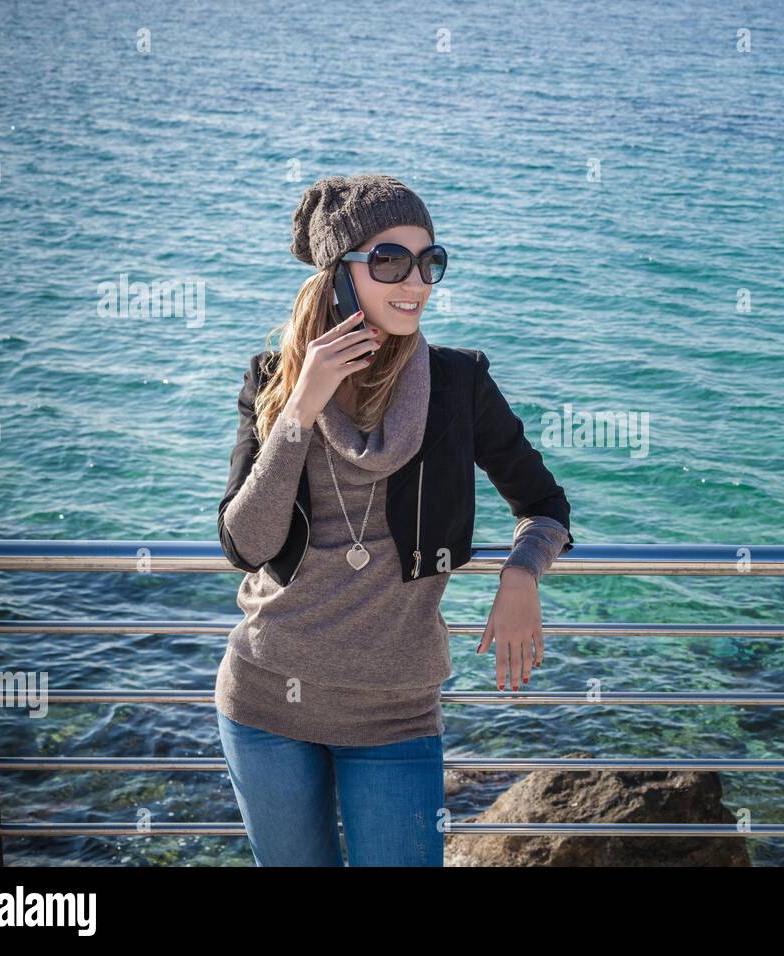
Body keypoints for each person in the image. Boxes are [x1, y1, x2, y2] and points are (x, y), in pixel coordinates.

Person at [213, 173, 574, 866]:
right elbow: (246, 542)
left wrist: (522, 573)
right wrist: (300, 409)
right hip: (264, 706)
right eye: (389, 260)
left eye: (429, 261)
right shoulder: (270, 380)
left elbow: (544, 505)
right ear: (339, 276)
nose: (417, 281)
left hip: (395, 715)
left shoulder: (459, 385)